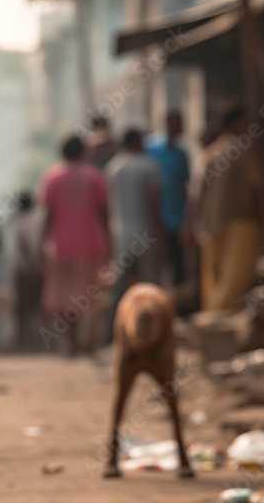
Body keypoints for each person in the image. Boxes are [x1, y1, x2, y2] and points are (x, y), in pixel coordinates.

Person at [192, 107, 264, 310]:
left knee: (215, 278)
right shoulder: (244, 150)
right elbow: (258, 190)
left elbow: (198, 195)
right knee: (236, 278)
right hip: (241, 222)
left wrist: (193, 224)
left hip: (212, 225)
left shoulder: (209, 153)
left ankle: (210, 319)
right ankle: (220, 320)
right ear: (236, 123)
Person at [39, 136, 111, 355]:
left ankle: (72, 344)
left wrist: (42, 244)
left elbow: (47, 215)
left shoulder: (52, 177)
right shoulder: (95, 176)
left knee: (63, 298)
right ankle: (89, 342)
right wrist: (110, 242)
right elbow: (104, 214)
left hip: (60, 246)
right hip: (91, 245)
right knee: (90, 296)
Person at [105, 128, 164, 335]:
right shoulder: (149, 166)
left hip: (120, 235)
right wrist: (159, 232)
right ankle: (152, 332)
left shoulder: (113, 167)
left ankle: (113, 334)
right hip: (145, 233)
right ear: (138, 142)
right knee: (150, 288)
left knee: (120, 289)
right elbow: (152, 203)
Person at [147, 112, 191, 287]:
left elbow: (185, 184)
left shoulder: (181, 154)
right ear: (167, 123)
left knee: (178, 265)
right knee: (156, 265)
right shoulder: (150, 148)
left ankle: (176, 306)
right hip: (155, 218)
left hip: (177, 218)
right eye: (176, 123)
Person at [8, 192, 43, 351]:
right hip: (37, 270)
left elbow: (22, 246)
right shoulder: (38, 219)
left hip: (22, 271)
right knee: (37, 307)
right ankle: (38, 340)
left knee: (22, 309)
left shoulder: (17, 221)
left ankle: (23, 340)